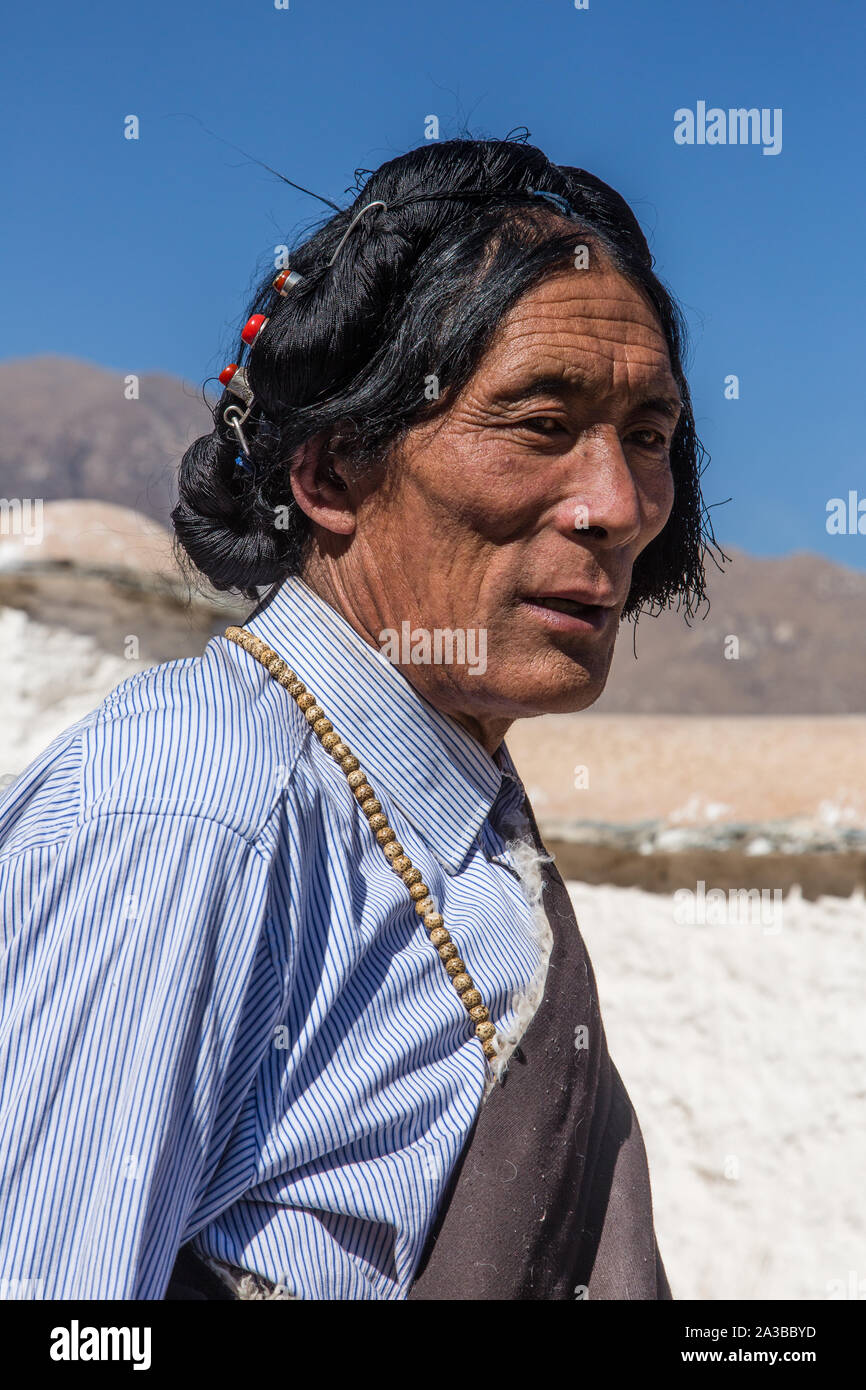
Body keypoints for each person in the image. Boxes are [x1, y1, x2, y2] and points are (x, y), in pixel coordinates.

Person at [0, 137, 711, 1300]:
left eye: (646, 437)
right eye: (539, 424)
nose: (616, 506)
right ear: (330, 474)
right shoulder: (193, 814)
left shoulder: (456, 810)